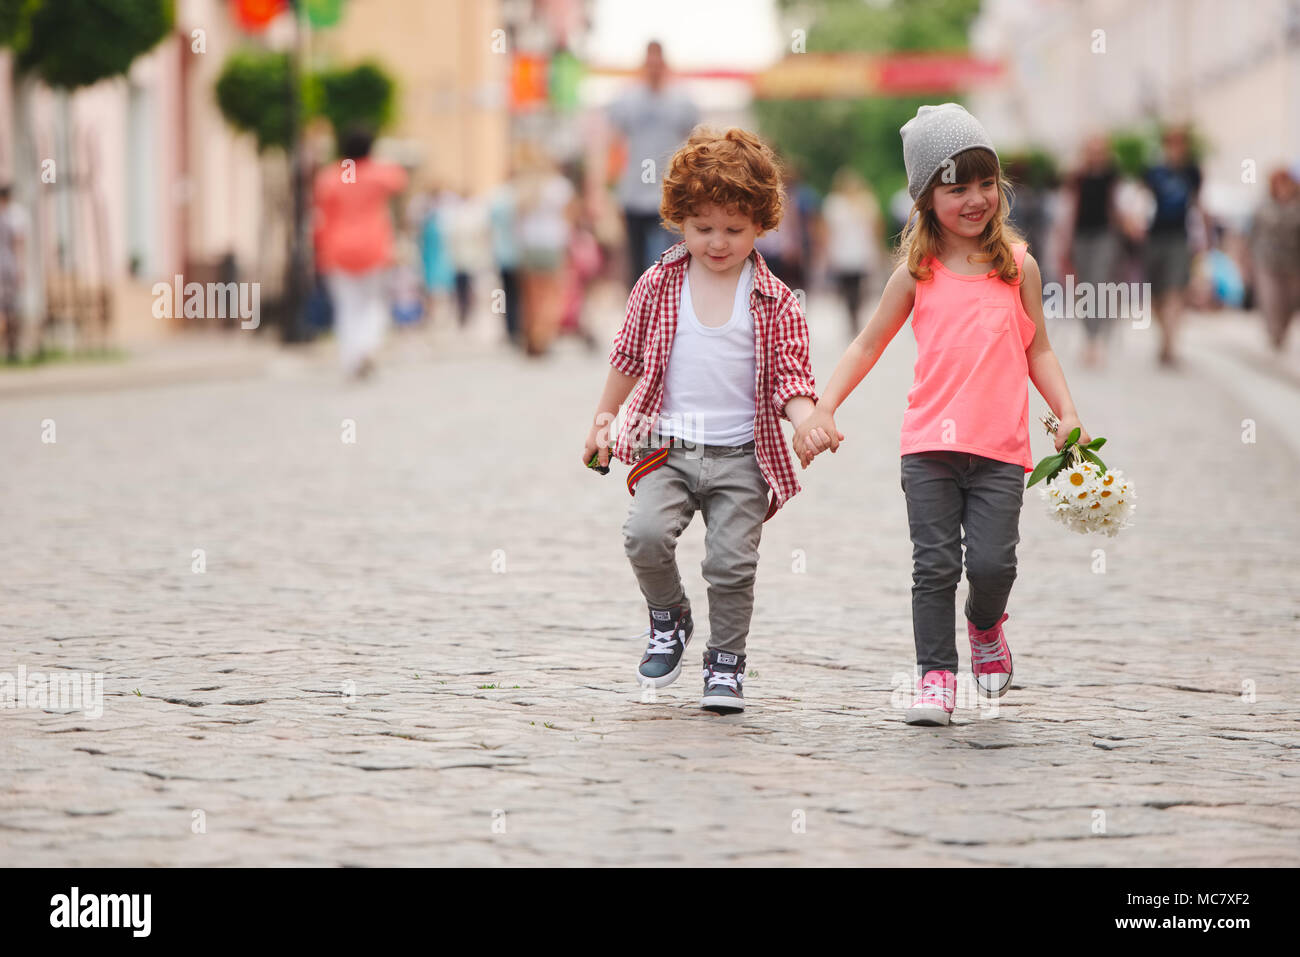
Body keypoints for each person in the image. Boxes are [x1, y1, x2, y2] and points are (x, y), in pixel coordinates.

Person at [793, 104, 1091, 727]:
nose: (976, 199)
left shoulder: (1019, 268)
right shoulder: (915, 274)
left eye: (986, 183)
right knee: (933, 565)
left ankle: (986, 626)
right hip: (928, 446)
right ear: (928, 198)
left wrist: (1066, 412)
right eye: (957, 188)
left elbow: (1037, 348)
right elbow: (866, 343)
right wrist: (825, 405)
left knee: (991, 564)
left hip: (1001, 450)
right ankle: (934, 676)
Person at [580, 126, 819, 714]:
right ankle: (670, 617)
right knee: (644, 535)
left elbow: (791, 376)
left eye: (734, 230)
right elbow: (628, 357)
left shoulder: (775, 299)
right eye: (703, 228)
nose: (717, 242)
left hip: (743, 456)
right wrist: (602, 421)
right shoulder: (660, 283)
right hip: (667, 447)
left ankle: (727, 663)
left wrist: (806, 418)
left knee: (731, 564)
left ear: (761, 224)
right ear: (679, 220)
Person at [313, 129, 408, 378]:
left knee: (347, 307)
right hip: (373, 248)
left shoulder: (332, 176)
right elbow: (399, 179)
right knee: (373, 304)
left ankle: (352, 357)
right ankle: (366, 347)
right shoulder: (377, 174)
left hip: (338, 250)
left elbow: (321, 213)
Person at [606, 40, 699, 285]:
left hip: (669, 192)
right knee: (636, 262)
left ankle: (670, 309)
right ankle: (640, 312)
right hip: (635, 192)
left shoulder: (682, 101)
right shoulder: (627, 101)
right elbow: (612, 143)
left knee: (673, 258)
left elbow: (695, 142)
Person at [1142, 126, 1202, 366]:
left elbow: (1198, 203)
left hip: (1180, 238)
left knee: (1176, 290)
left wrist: (1204, 239)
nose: (1176, 149)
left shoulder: (1192, 172)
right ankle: (1164, 336)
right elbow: (1140, 200)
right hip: (1154, 237)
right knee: (1156, 295)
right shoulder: (1154, 172)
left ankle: (1170, 344)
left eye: (1180, 144)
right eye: (1172, 144)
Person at [1063, 135, 1121, 367]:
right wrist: (1066, 239)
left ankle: (1097, 339)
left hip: (1105, 236)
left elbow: (1117, 205)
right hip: (1081, 237)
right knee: (1084, 288)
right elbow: (1071, 208)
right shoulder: (1078, 177)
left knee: (1100, 285)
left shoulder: (1111, 176)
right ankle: (1089, 335)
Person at [514, 144, 575, 356]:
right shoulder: (559, 186)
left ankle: (531, 335)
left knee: (531, 297)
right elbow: (569, 217)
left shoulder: (523, 187)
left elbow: (517, 219)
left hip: (529, 245)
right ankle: (543, 335)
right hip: (552, 243)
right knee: (552, 294)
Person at [822, 167, 884, 335]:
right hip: (842, 251)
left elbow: (876, 227)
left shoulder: (866, 201)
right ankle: (852, 315)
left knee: (858, 286)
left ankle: (855, 314)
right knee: (847, 286)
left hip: (860, 251)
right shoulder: (835, 203)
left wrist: (877, 249)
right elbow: (827, 230)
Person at [1249, 167, 1300, 350]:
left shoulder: (1297, 206)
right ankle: (1274, 331)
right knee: (1271, 299)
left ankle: (1282, 331)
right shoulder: (1263, 206)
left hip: (1293, 262)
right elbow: (1253, 233)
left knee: (1290, 301)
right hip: (1267, 261)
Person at [0, 185, 29, 362]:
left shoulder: (12, 216)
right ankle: (11, 346)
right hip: (9, 268)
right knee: (10, 309)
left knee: (9, 309)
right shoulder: (13, 217)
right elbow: (19, 244)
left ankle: (12, 346)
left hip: (8, 268)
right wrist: (21, 268)